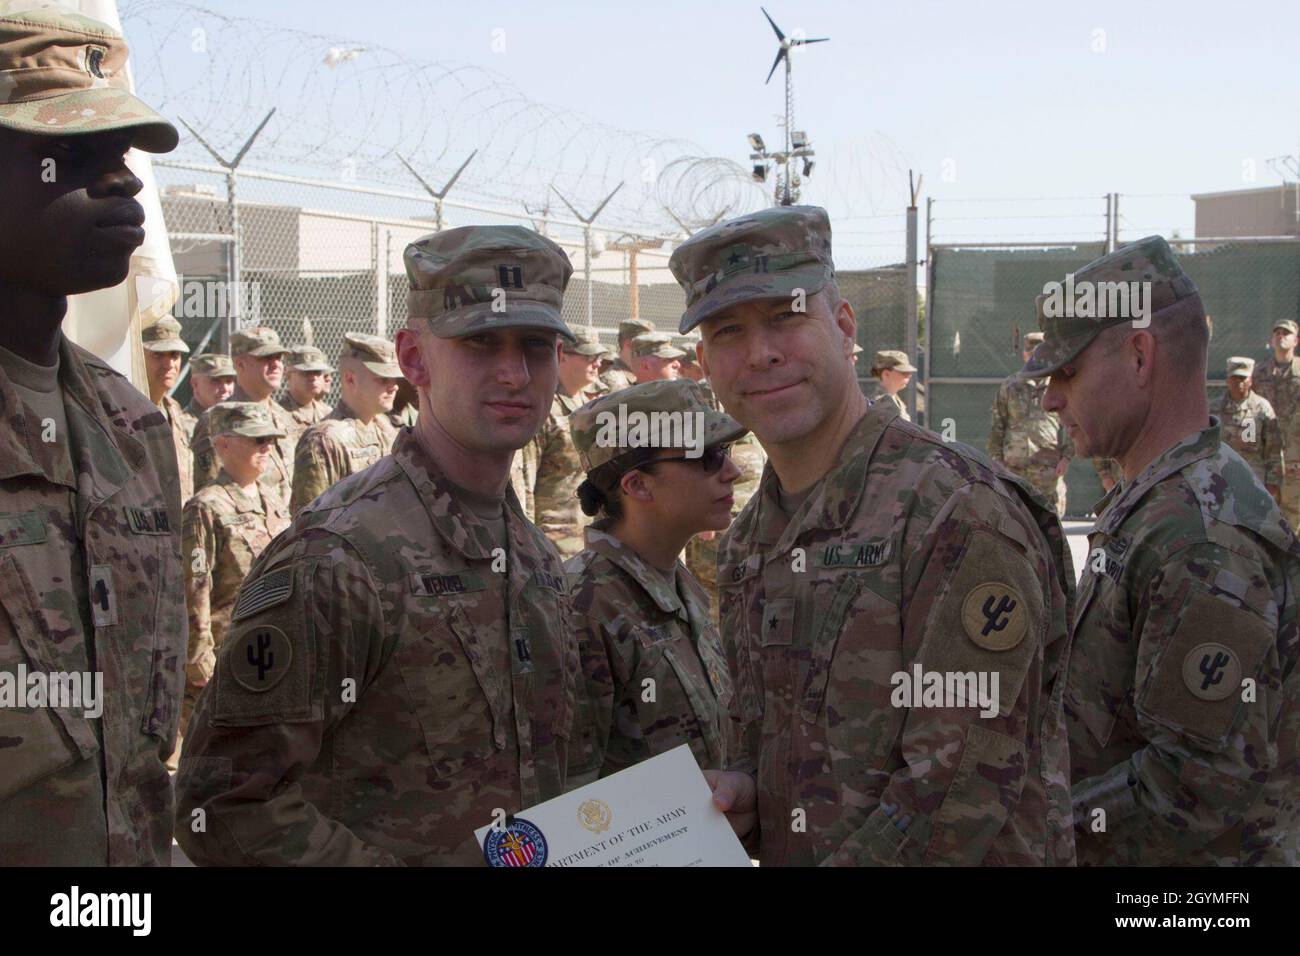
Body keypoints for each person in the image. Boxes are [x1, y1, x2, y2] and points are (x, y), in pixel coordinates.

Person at [669, 205, 1076, 866]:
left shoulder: (955, 510)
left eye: (786, 317)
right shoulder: (751, 539)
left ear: (844, 326)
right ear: (704, 363)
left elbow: (957, 794)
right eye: (728, 332)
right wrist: (750, 796)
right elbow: (775, 740)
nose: (761, 353)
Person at [175, 224, 580, 866]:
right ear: (415, 359)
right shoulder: (341, 556)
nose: (514, 373)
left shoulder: (531, 552)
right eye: (480, 342)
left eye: (536, 345)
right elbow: (223, 805)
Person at [1028, 236, 1300, 865]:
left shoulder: (1201, 535)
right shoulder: (1160, 501)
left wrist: (1035, 830)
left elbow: (1194, 784)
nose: (1049, 398)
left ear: (1140, 357)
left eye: (1067, 371)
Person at [0, 7, 184, 865]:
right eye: (72, 155)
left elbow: (141, 751)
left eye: (123, 157)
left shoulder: (132, 427)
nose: (123, 184)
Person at [565, 381, 742, 785]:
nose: (733, 472)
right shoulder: (583, 608)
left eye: (726, 451)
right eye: (707, 457)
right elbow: (571, 796)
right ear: (637, 485)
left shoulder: (677, 582)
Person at [176, 402, 289, 763]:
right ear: (222, 444)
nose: (266, 446)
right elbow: (194, 588)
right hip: (226, 660)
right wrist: (199, 660)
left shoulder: (273, 501)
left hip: (272, 654)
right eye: (256, 439)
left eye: (270, 439)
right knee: (219, 763)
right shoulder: (206, 507)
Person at [289, 333, 401, 514]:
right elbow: (309, 520)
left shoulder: (385, 428)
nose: (394, 386)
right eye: (382, 379)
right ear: (351, 380)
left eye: (394, 379)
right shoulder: (323, 440)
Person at [190, 327, 297, 501]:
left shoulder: (284, 416)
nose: (276, 364)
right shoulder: (217, 419)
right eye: (266, 358)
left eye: (278, 358)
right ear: (240, 364)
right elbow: (209, 496)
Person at [529, 327, 606, 556]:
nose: (597, 363)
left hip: (589, 537)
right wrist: (526, 541)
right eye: (589, 356)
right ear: (562, 355)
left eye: (599, 357)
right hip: (552, 541)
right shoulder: (543, 409)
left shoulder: (592, 407)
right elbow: (523, 480)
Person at [988, 331, 1073, 516]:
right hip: (1014, 468)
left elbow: (1071, 421)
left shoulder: (1059, 384)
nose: (1036, 358)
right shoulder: (1010, 385)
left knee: (1050, 521)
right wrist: (997, 460)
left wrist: (1067, 457)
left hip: (1048, 469)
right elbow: (997, 424)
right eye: (1032, 353)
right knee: (1015, 520)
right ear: (1025, 355)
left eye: (1041, 353)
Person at [1251, 319, 1300, 526]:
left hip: (1294, 455)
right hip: (1267, 455)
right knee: (1264, 509)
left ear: (1296, 341)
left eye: (1286, 333)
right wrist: (1249, 446)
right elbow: (1250, 410)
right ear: (1271, 341)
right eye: (1277, 333)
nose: (1281, 336)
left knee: (1293, 511)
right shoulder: (1259, 372)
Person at [142, 315, 195, 503]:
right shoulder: (125, 412)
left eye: (174, 355)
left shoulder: (174, 410)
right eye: (158, 355)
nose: (169, 364)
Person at [1216, 356, 1281, 499]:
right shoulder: (1214, 408)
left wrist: (1272, 481)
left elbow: (1273, 449)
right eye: (1234, 378)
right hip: (1222, 476)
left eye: (1242, 378)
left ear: (1250, 381)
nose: (1238, 382)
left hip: (1254, 478)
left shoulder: (1262, 409)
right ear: (1227, 380)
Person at [279, 344, 335, 443]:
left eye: (318, 372)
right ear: (288, 375)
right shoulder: (278, 415)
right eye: (306, 372)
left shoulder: (328, 413)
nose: (314, 378)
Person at [184, 351, 236, 433]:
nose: (225, 389)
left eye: (229, 381)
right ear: (195, 384)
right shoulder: (182, 425)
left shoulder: (237, 421)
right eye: (216, 381)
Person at [598, 317, 654, 393]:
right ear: (628, 343)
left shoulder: (642, 374)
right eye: (645, 344)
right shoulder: (613, 380)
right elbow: (622, 403)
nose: (651, 348)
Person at [866, 349, 916, 421]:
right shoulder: (879, 404)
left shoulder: (894, 399)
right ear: (886, 374)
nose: (909, 376)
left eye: (909, 372)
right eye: (904, 372)